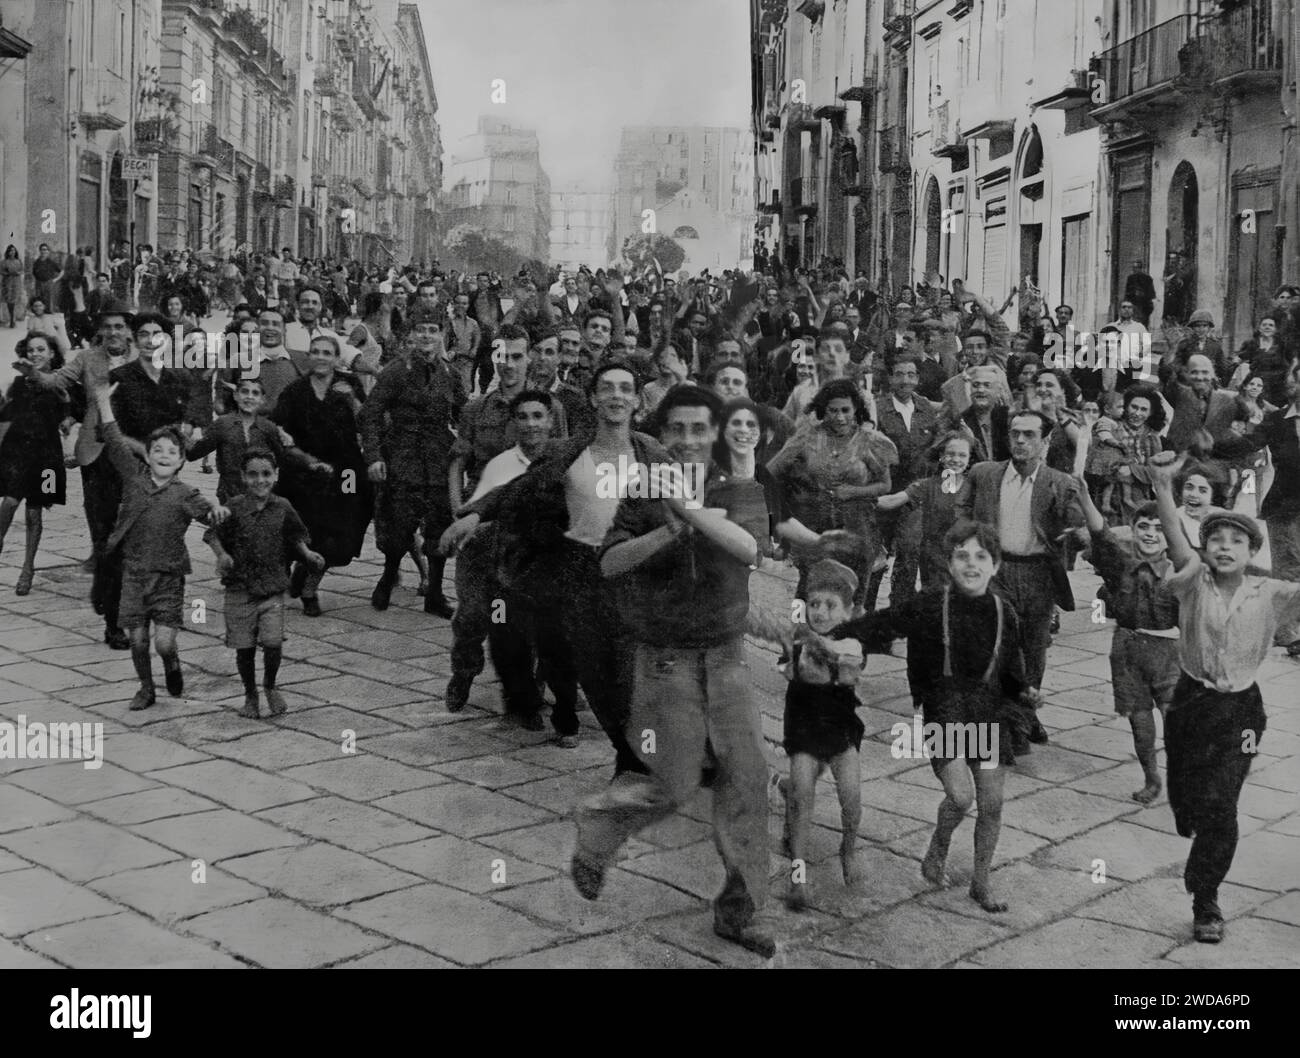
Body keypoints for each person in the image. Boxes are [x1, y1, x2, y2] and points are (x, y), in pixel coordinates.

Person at [572, 384, 776, 958]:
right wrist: (665, 528)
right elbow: (611, 562)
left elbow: (749, 550)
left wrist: (688, 510)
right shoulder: (638, 493)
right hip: (664, 661)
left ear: (715, 434)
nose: (688, 440)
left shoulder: (739, 489)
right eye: (677, 429)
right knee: (673, 782)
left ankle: (739, 912)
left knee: (748, 784)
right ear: (663, 437)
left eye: (699, 429)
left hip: (728, 658)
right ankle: (598, 829)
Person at [832, 520, 1028, 914]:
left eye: (981, 557)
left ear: (996, 565)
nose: (971, 565)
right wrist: (831, 636)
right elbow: (880, 623)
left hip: (988, 714)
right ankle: (939, 845)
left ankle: (981, 882)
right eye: (962, 556)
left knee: (991, 803)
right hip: (947, 711)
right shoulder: (930, 603)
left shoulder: (1002, 609)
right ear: (950, 563)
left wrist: (1025, 693)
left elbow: (1012, 668)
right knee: (961, 796)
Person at [1147, 452, 1300, 943]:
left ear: (1252, 549)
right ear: (1205, 547)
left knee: (1222, 805)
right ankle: (1188, 812)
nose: (1226, 546)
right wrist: (1163, 488)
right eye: (1216, 538)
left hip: (1243, 714)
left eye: (1237, 539)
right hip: (1190, 703)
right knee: (1188, 801)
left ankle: (1205, 899)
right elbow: (1176, 542)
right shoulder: (1193, 581)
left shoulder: (1272, 592)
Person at [88, 373, 228, 711]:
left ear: (182, 460)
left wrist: (218, 511)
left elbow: (208, 513)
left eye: (172, 452)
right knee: (137, 640)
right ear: (147, 456)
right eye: (157, 450)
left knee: (164, 642)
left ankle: (172, 663)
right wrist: (105, 403)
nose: (164, 455)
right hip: (133, 576)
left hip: (167, 577)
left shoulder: (185, 494)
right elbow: (114, 438)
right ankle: (146, 687)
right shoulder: (133, 479)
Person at [955, 410, 1084, 750]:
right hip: (997, 572)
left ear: (1045, 441)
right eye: (1015, 434)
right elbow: (960, 509)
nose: (1021, 441)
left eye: (1029, 435)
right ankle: (1008, 725)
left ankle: (1026, 714)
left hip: (1039, 574)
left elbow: (1078, 526)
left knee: (1034, 651)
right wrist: (969, 547)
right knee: (1000, 648)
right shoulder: (985, 474)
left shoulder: (1059, 482)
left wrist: (1074, 525)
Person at [1076, 480, 1179, 804]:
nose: (1150, 533)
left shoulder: (1182, 572)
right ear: (1133, 530)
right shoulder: (1120, 566)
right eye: (1143, 526)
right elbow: (1101, 536)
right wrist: (1084, 496)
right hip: (1126, 652)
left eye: (1159, 528)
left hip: (1169, 655)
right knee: (1140, 724)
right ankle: (1151, 778)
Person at [205, 448, 324, 719]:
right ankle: (250, 692)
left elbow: (295, 536)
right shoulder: (233, 507)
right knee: (244, 647)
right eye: (253, 475)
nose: (260, 480)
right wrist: (222, 555)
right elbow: (213, 534)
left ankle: (270, 685)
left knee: (273, 642)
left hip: (271, 587)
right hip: (239, 589)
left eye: (266, 474)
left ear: (276, 475)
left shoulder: (283, 507)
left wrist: (307, 555)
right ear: (243, 477)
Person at [780, 559, 868, 909]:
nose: (820, 611)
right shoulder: (799, 640)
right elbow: (790, 671)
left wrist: (820, 648)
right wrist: (793, 651)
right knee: (802, 789)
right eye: (814, 604)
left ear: (847, 612)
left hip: (840, 726)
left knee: (851, 793)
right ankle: (798, 871)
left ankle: (848, 846)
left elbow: (847, 667)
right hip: (803, 723)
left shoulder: (851, 645)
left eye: (830, 606)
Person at [767, 378, 892, 610]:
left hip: (859, 528)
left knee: (855, 594)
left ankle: (848, 642)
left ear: (856, 409)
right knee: (806, 590)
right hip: (816, 526)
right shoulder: (807, 437)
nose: (840, 417)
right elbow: (771, 473)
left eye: (845, 410)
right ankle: (795, 638)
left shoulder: (868, 441)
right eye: (833, 411)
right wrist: (792, 498)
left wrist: (854, 491)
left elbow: (885, 485)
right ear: (823, 410)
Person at [271, 334, 372, 616]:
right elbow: (279, 431)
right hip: (306, 473)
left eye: (327, 352)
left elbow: (367, 419)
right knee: (306, 530)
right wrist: (305, 459)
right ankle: (307, 582)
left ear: (336, 356)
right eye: (315, 351)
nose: (320, 357)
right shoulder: (295, 391)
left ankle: (309, 581)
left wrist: (352, 401)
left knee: (344, 533)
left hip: (347, 470)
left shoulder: (348, 383)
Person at [0, 335, 70, 594]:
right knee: (9, 502)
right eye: (31, 350)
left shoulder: (60, 382)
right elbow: (5, 417)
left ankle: (27, 568)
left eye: (41, 349)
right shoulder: (18, 384)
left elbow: (68, 410)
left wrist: (67, 422)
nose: (36, 353)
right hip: (17, 452)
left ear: (52, 353)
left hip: (47, 457)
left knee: (34, 512)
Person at [876, 431, 972, 590]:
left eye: (962, 455)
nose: (956, 459)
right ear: (941, 456)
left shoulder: (975, 487)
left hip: (965, 559)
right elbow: (893, 500)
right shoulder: (927, 485)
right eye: (951, 454)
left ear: (969, 459)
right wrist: (861, 498)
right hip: (934, 560)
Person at [186, 376, 297, 503]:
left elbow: (283, 460)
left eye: (255, 393)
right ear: (236, 396)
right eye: (245, 392)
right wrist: (176, 434)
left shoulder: (268, 428)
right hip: (229, 495)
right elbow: (194, 452)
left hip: (260, 497)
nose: (249, 397)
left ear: (262, 399)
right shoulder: (223, 424)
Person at [1123, 260, 1157, 325]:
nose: (1135, 269)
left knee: (1141, 325)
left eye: (1136, 268)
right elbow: (1127, 293)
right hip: (1135, 306)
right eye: (1134, 268)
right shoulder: (1130, 278)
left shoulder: (1147, 279)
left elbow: (1151, 294)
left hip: (1144, 306)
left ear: (1140, 268)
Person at [1, 245, 23, 326]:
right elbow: (1, 271)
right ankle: (10, 319)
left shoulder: (18, 261)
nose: (12, 252)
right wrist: (8, 273)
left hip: (16, 283)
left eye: (13, 250)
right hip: (7, 283)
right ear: (8, 252)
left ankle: (14, 318)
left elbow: (21, 270)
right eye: (10, 251)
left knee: (15, 301)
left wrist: (18, 273)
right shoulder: (4, 262)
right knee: (9, 301)